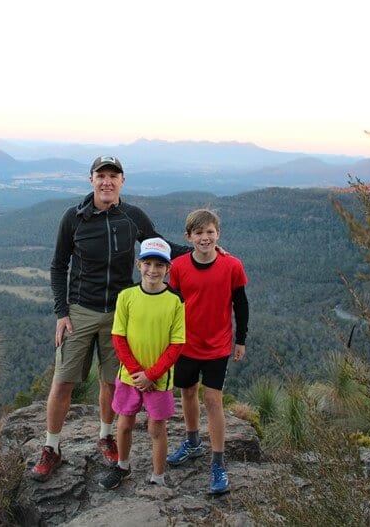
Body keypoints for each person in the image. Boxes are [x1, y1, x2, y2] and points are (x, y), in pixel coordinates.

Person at [32, 155, 191, 482]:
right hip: (80, 311)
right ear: (91, 180)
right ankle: (52, 447)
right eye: (101, 175)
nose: (107, 181)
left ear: (122, 181)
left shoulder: (133, 217)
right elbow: (58, 265)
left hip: (121, 313)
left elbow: (162, 247)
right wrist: (61, 312)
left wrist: (206, 250)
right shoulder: (73, 218)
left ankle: (106, 436)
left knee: (110, 381)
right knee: (63, 381)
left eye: (113, 176)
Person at [166, 209, 249, 495]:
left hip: (217, 345)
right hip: (186, 344)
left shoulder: (232, 266)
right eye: (199, 233)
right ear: (188, 237)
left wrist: (241, 339)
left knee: (213, 400)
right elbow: (173, 305)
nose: (205, 238)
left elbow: (241, 304)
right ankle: (192, 443)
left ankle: (218, 463)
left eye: (210, 232)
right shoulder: (177, 267)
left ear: (219, 234)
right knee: (187, 393)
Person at [99, 237, 185, 490]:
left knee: (157, 428)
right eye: (148, 263)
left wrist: (152, 374)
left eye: (159, 265)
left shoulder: (175, 301)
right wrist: (138, 373)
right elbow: (119, 337)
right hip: (129, 376)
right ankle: (122, 467)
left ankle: (158, 476)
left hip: (159, 379)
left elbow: (177, 344)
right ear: (139, 264)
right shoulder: (126, 296)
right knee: (124, 423)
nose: (153, 270)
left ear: (168, 269)